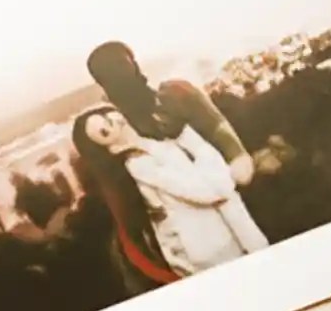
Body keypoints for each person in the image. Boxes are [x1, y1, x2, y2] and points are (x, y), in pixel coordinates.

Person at [84, 41, 259, 287]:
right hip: (203, 233)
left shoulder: (174, 96)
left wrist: (235, 155)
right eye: (111, 71)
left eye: (120, 65)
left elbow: (217, 129)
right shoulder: (126, 138)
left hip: (208, 225)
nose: (119, 75)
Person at [71, 104, 268, 279]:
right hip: (214, 247)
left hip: (219, 238)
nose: (115, 121)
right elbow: (209, 191)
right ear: (108, 148)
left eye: (109, 114)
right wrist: (196, 145)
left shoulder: (154, 146)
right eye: (105, 130)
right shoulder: (141, 164)